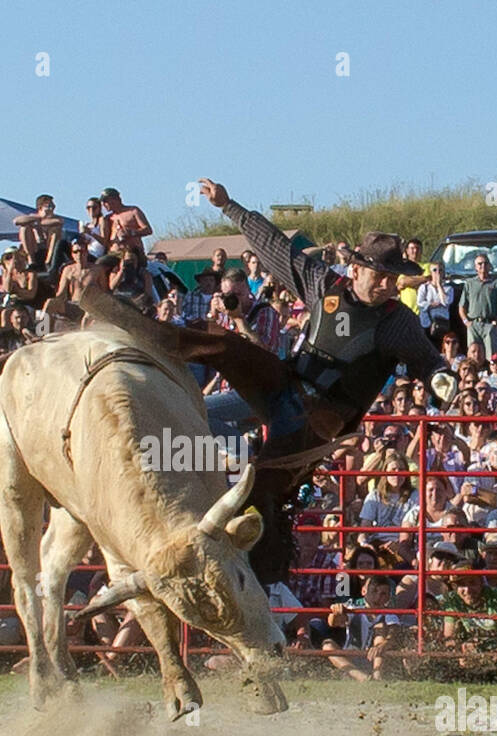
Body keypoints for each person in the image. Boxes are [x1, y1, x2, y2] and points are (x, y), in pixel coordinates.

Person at [141, 177, 448, 585]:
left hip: (317, 422)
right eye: (382, 275)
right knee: (198, 410)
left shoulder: (397, 322)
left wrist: (443, 378)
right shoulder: (324, 284)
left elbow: (428, 360)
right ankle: (222, 459)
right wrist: (228, 206)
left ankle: (247, 538)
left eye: (394, 278)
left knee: (259, 489)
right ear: (356, 268)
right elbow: (273, 246)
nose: (389, 284)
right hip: (284, 386)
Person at [458, 253, 497, 355]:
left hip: (489, 324)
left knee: (492, 356)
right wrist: (466, 322)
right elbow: (462, 306)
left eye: (486, 263)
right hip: (473, 324)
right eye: (480, 264)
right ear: (475, 267)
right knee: (473, 355)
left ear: (490, 266)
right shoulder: (469, 283)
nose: (483, 266)